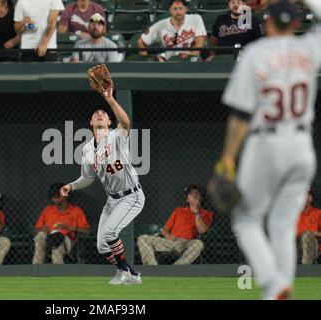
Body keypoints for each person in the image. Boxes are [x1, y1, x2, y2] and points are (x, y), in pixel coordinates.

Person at [213, 0, 321, 300]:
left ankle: (274, 285)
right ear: (297, 22)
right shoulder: (310, 48)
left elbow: (241, 115)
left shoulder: (255, 53)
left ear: (268, 23)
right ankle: (281, 289)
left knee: (246, 218)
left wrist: (228, 157)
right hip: (302, 145)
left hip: (267, 142)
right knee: (283, 224)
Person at [60, 83, 145, 285]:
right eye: (96, 114)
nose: (100, 114)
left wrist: (109, 99)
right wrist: (71, 186)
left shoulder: (116, 136)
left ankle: (123, 271)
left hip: (131, 195)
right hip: (112, 200)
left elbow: (125, 122)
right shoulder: (87, 149)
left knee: (109, 233)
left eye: (104, 114)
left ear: (108, 121)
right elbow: (87, 178)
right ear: (91, 122)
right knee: (102, 245)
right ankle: (132, 274)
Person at [137, 184, 214, 265]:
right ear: (187, 199)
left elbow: (202, 231)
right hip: (171, 241)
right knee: (142, 238)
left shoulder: (207, 214)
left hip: (188, 243)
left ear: (201, 198)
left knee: (199, 244)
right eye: (191, 194)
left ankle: (177, 268)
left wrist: (197, 212)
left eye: (196, 193)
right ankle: (153, 268)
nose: (194, 195)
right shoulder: (179, 211)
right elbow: (165, 229)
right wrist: (168, 236)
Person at [33, 182, 90, 264]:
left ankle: (57, 272)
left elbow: (87, 231)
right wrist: (43, 229)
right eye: (53, 196)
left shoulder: (76, 211)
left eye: (57, 195)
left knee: (57, 241)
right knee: (40, 235)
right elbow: (35, 230)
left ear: (66, 195)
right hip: (47, 239)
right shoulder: (48, 210)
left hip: (66, 240)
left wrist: (68, 227)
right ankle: (36, 268)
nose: (54, 198)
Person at [137, 0, 206, 62]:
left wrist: (191, 54)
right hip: (170, 63)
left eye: (181, 8)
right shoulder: (161, 25)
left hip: (192, 61)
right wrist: (144, 58)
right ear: (170, 10)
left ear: (186, 9)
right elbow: (141, 41)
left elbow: (200, 42)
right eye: (175, 9)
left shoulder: (196, 19)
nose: (178, 12)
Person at [296, 188, 321, 264]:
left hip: (313, 247)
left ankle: (306, 270)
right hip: (296, 247)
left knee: (307, 235)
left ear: (310, 198)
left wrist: (313, 233)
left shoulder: (318, 213)